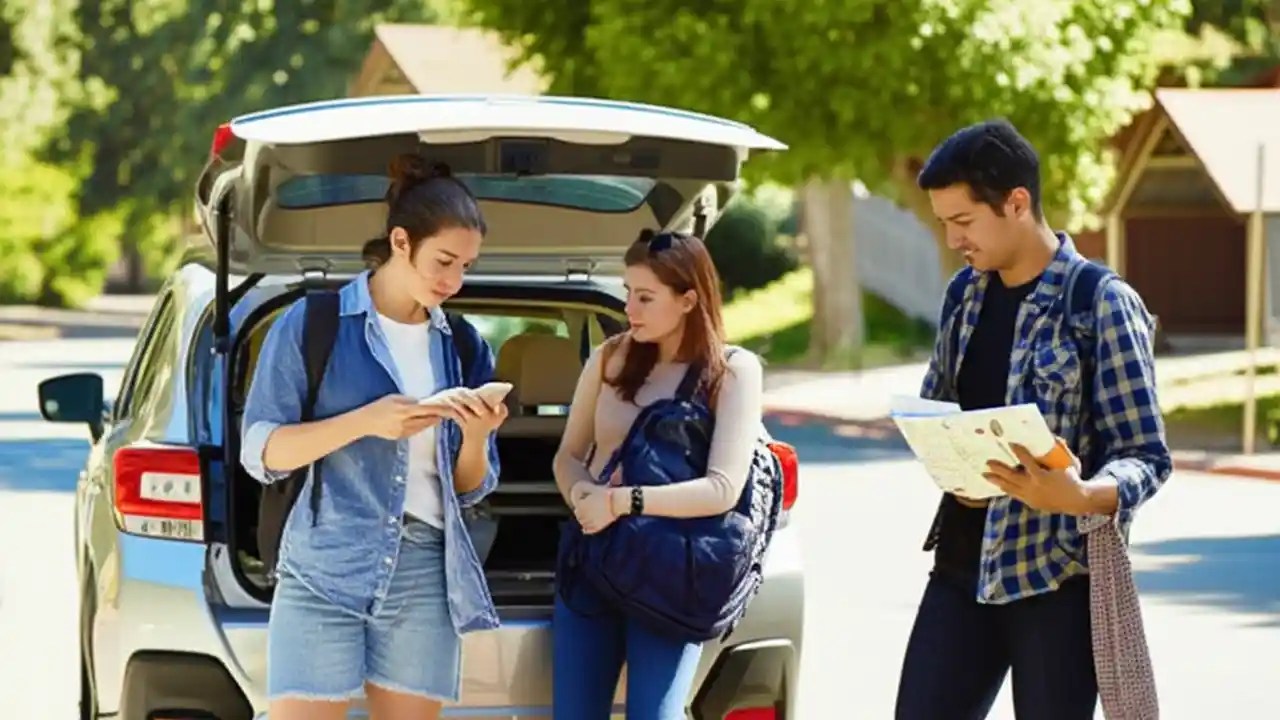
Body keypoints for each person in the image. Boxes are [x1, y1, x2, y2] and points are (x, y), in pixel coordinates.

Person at [893, 119, 1170, 720]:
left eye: (963, 221)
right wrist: (951, 460)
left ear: (1016, 202)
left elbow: (1147, 456)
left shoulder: (1099, 302)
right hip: (962, 568)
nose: (952, 239)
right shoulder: (964, 294)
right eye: (944, 223)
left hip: (1057, 582)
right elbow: (937, 407)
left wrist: (1079, 494)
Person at [240, 155, 508, 720]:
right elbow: (261, 450)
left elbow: (468, 490)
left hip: (424, 573)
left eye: (465, 266)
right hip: (323, 568)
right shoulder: (312, 325)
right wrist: (366, 421)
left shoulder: (462, 346)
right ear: (401, 241)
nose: (454, 281)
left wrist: (479, 438)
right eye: (444, 261)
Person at [550, 229, 766, 719]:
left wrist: (622, 501)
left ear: (689, 299)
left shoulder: (732, 371)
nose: (631, 309)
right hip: (593, 564)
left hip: (673, 575)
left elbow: (723, 489)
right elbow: (568, 455)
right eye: (628, 294)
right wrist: (583, 493)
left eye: (645, 297)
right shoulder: (609, 358)